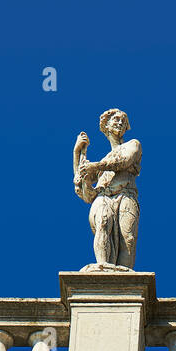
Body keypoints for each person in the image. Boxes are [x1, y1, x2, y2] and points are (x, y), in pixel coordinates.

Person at [73, 108, 141, 269]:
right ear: (106, 126)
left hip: (126, 194)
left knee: (128, 238)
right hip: (103, 197)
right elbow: (83, 189)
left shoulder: (133, 145)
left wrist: (94, 166)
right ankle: (102, 268)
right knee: (103, 222)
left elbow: (123, 161)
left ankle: (124, 281)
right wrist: (77, 152)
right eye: (116, 120)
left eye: (123, 121)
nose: (120, 123)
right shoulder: (101, 165)